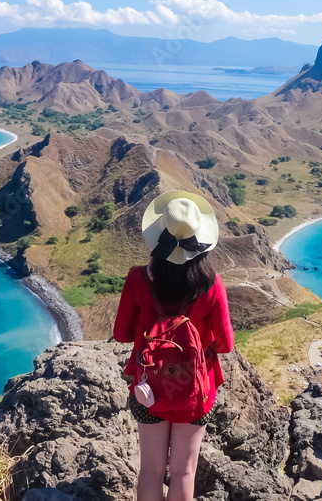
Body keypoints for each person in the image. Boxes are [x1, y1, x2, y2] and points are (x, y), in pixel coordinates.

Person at [114, 190, 235, 501]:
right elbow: (225, 344)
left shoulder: (138, 279)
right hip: (196, 392)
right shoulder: (213, 284)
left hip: (148, 389)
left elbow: (122, 334)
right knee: (183, 472)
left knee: (150, 471)